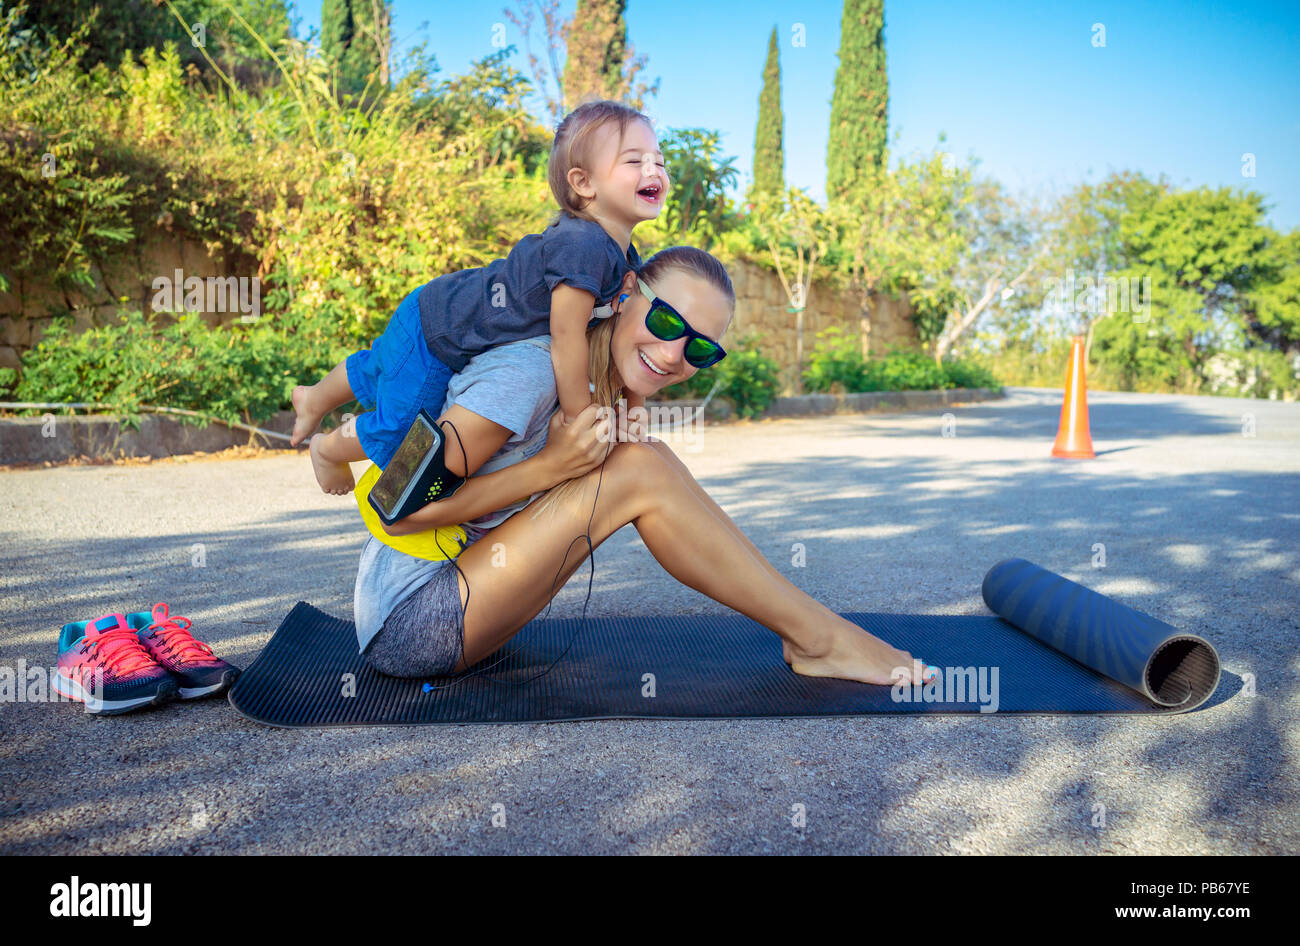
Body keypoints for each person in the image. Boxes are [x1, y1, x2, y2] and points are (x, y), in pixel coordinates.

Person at [352, 246, 941, 688]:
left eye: (701, 349)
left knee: (648, 457)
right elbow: (395, 510)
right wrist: (549, 467)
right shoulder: (528, 373)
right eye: (665, 323)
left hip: (468, 604)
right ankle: (819, 639)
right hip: (410, 625)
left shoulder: (596, 387)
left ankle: (811, 627)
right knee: (639, 468)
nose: (673, 355)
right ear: (626, 291)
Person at [288, 99, 667, 494]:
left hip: (435, 309)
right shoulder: (582, 245)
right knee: (405, 427)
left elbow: (618, 334)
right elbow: (567, 334)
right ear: (583, 183)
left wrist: (633, 413)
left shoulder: (621, 254)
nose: (653, 170)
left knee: (380, 365)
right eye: (634, 161)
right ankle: (329, 449)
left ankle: (313, 397)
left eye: (658, 161)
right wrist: (578, 416)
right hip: (442, 335)